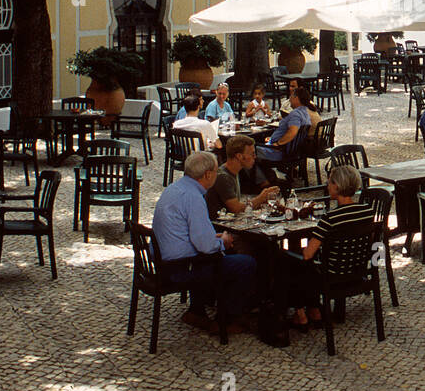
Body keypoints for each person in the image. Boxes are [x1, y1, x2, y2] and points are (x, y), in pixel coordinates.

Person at [153, 151, 257, 334]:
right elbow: (206, 246)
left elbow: (190, 234)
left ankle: (197, 310)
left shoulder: (174, 189)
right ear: (208, 174)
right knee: (245, 263)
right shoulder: (193, 197)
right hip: (180, 268)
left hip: (164, 261)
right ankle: (228, 319)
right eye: (216, 172)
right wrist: (222, 241)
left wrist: (213, 239)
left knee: (214, 255)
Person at [278, 165, 372, 331]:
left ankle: (300, 313)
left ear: (337, 186)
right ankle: (314, 310)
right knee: (305, 262)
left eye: (329, 182)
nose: (327, 185)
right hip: (357, 270)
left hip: (332, 276)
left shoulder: (331, 218)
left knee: (288, 260)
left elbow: (307, 254)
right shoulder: (367, 212)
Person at [204, 134, 275, 219]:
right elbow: (236, 209)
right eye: (252, 154)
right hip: (220, 225)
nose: (255, 157)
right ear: (239, 156)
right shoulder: (223, 177)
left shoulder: (233, 172)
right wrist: (261, 198)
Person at [257, 86, 311, 161]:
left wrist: (279, 143)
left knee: (248, 151)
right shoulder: (305, 113)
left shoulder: (296, 114)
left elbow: (293, 131)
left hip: (279, 151)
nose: (289, 100)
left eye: (291, 97)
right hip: (290, 151)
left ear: (296, 98)